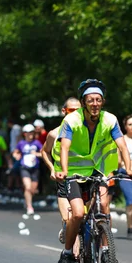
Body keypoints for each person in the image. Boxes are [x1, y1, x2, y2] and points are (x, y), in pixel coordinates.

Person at [54, 79, 132, 263]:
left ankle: (106, 251)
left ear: (103, 102)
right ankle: (67, 254)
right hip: (73, 172)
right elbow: (64, 147)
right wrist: (63, 170)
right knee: (76, 214)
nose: (95, 104)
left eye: (98, 100)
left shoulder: (109, 120)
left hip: (97, 170)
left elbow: (123, 146)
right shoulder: (71, 121)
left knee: (104, 206)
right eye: (91, 100)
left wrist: (129, 168)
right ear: (84, 102)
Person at [41, 97, 81, 244]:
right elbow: (44, 151)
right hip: (64, 178)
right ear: (64, 111)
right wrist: (52, 169)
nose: (76, 113)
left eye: (79, 110)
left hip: (84, 177)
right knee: (70, 218)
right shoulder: (54, 133)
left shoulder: (87, 131)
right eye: (72, 110)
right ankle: (73, 255)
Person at [13, 124, 43, 215]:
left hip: (35, 168)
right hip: (24, 167)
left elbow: (43, 154)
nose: (31, 134)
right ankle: (29, 206)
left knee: (33, 189)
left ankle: (27, 200)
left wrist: (36, 154)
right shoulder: (21, 143)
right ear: (24, 134)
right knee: (27, 187)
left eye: (32, 132)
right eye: (29, 133)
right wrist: (16, 156)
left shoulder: (37, 143)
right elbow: (15, 152)